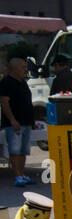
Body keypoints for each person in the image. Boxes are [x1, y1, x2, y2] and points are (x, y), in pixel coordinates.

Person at [0, 56, 35, 186]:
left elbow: (27, 102)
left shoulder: (23, 82)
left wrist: (32, 120)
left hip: (26, 122)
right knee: (15, 151)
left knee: (23, 150)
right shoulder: (7, 82)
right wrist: (12, 120)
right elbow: (4, 103)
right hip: (14, 123)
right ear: (14, 69)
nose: (25, 69)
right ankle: (17, 176)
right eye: (23, 67)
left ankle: (22, 174)